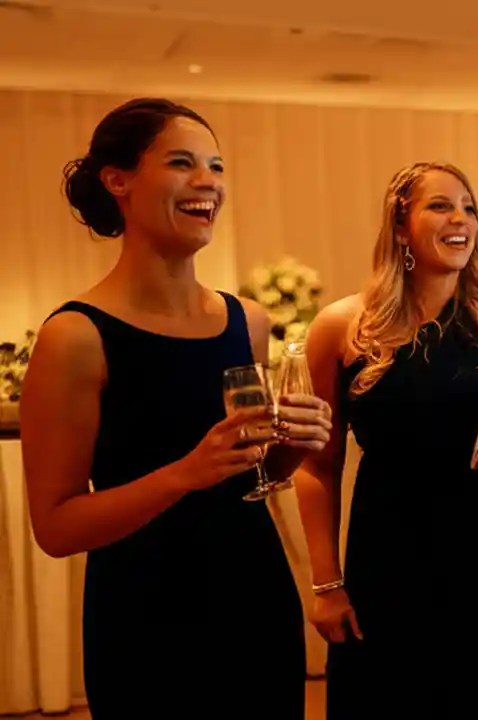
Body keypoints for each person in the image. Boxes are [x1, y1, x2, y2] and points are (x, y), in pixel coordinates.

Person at [21, 97, 332, 719]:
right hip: (145, 615)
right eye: (183, 163)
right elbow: (56, 528)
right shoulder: (76, 336)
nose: (208, 182)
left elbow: (254, 476)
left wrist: (294, 445)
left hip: (253, 596)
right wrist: (183, 474)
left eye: (216, 166)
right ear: (119, 181)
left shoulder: (248, 321)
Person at [293, 161, 478, 718]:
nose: (461, 219)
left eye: (469, 207)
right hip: (391, 556)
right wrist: (325, 582)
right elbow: (318, 466)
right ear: (400, 225)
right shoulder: (342, 327)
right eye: (440, 205)